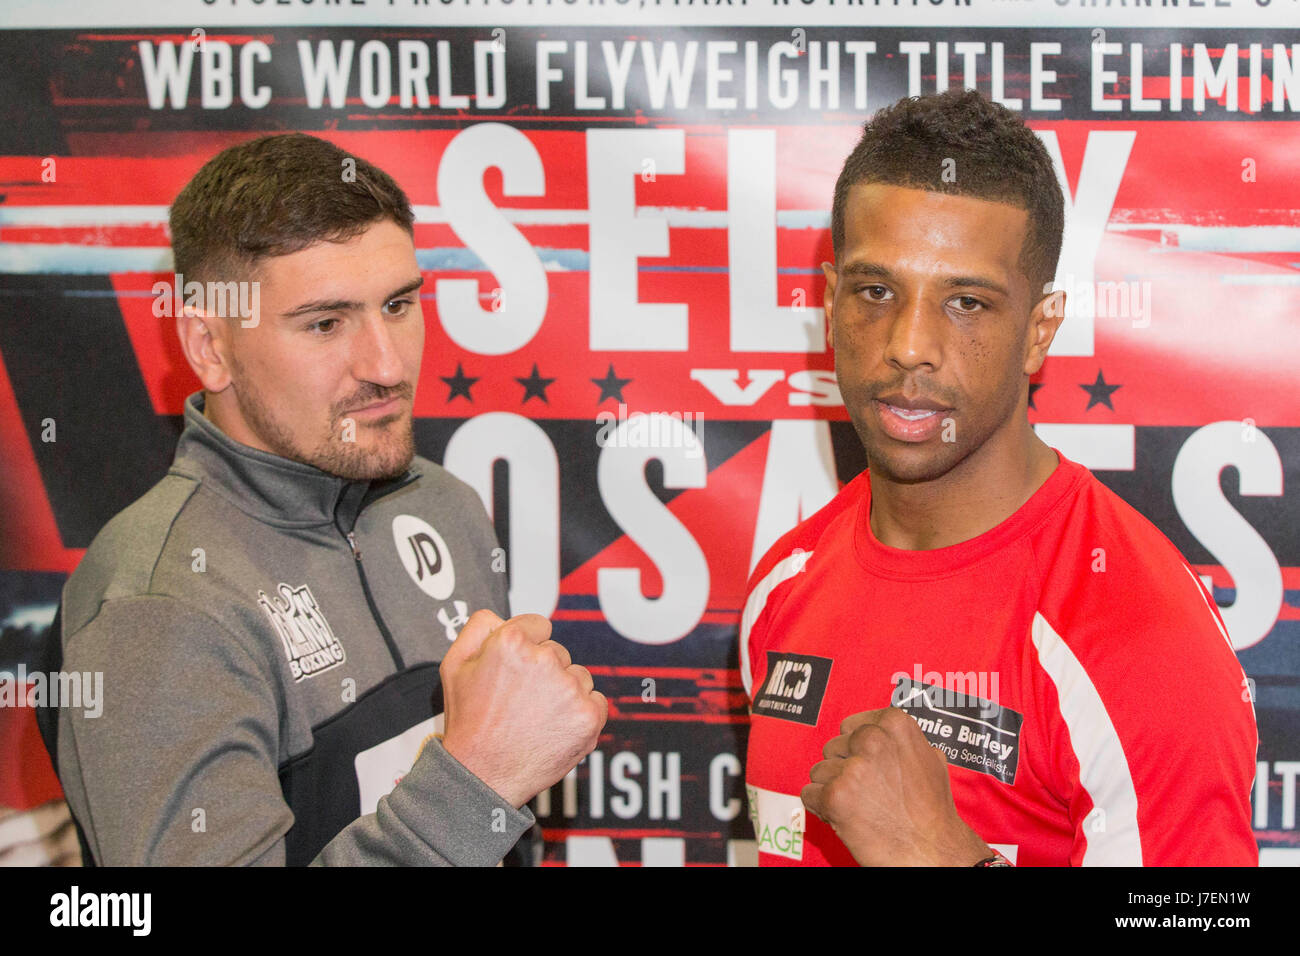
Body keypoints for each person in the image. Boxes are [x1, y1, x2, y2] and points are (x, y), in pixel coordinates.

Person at [53, 133, 607, 865]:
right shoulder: (159, 609)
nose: (385, 365)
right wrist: (477, 785)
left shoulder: (443, 504)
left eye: (400, 304)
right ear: (208, 347)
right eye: (325, 322)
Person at [740, 89, 1258, 866]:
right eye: (876, 291)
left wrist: (942, 857)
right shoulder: (784, 585)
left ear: (1037, 332)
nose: (909, 345)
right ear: (828, 304)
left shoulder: (1136, 633)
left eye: (967, 303)